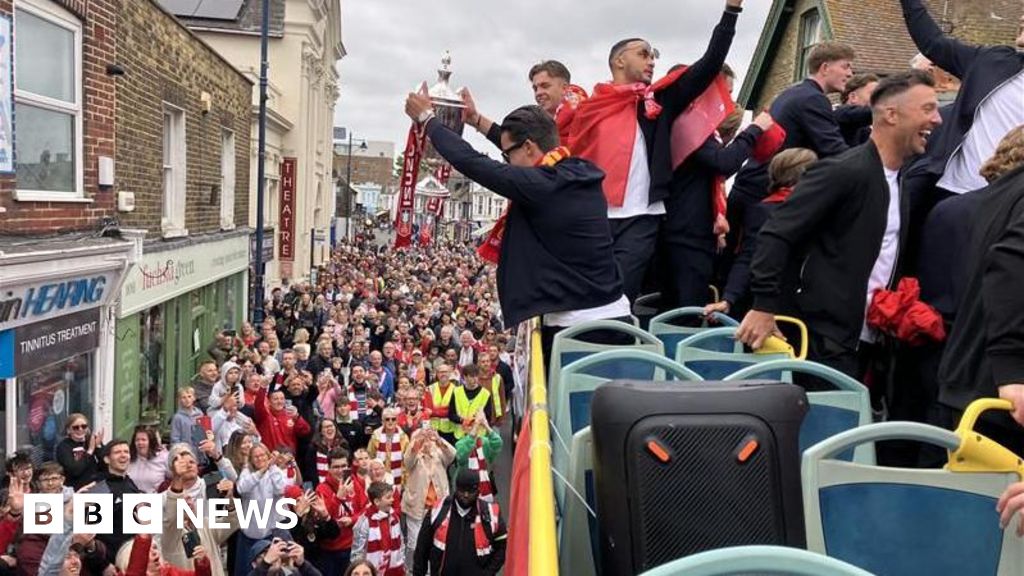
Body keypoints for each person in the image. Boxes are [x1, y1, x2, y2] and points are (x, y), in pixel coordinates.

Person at [737, 71, 942, 382]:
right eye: (928, 109)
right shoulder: (843, 171)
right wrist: (764, 306)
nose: (938, 119)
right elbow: (777, 234)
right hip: (821, 341)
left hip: (868, 341)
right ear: (890, 114)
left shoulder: (902, 182)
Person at [402, 99, 629, 363]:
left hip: (581, 330)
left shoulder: (544, 186)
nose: (507, 163)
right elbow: (520, 151)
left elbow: (474, 163)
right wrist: (477, 121)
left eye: (508, 156)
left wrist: (428, 120)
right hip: (611, 315)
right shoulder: (576, 172)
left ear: (530, 147)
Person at [565, 0, 746, 303]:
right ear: (619, 61)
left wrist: (731, 12)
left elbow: (709, 64)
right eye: (643, 53)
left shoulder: (659, 102)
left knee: (621, 299)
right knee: (589, 295)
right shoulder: (589, 109)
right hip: (596, 214)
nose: (651, 61)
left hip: (643, 217)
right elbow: (573, 156)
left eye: (653, 56)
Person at [898, 0, 1024, 201]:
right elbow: (934, 43)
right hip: (952, 192)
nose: (1022, 18)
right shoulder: (991, 61)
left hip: (1012, 207)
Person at [706, 148, 819, 318]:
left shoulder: (766, 209)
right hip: (779, 303)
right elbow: (749, 256)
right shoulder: (770, 211)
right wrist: (729, 297)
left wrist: (729, 297)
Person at [161, 444, 238, 576]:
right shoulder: (165, 501)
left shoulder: (212, 484)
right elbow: (170, 521)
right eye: (182, 463)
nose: (188, 465)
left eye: (191, 462)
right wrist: (178, 480)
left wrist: (230, 498)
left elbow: (233, 521)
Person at [412, 469, 507, 576]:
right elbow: (421, 551)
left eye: (470, 491)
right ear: (456, 488)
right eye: (462, 490)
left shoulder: (490, 514)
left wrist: (487, 573)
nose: (466, 495)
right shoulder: (437, 511)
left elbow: (502, 548)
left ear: (478, 491)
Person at [401, 428, 455, 563]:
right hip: (417, 508)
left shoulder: (439, 454)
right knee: (415, 544)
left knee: (439, 543)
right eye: (421, 439)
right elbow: (408, 461)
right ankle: (415, 569)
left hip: (438, 509)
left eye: (428, 439)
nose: (426, 442)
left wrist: (438, 439)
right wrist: (416, 443)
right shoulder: (413, 457)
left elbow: (453, 455)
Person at [313, 449, 365, 575]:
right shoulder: (322, 489)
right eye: (336, 467)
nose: (340, 470)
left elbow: (365, 510)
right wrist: (338, 498)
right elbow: (323, 517)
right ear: (329, 468)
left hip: (352, 546)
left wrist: (352, 520)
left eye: (343, 466)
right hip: (330, 550)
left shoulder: (354, 483)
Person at [351, 482, 404, 576]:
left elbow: (401, 543)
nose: (392, 500)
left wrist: (402, 562)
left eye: (392, 496)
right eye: (388, 497)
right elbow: (357, 553)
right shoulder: (364, 522)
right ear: (377, 501)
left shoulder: (394, 518)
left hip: (394, 570)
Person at [453, 412, 502, 503]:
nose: (473, 427)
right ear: (464, 428)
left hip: (482, 486)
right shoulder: (460, 444)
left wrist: (486, 425)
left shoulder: (485, 442)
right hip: (465, 488)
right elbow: (462, 455)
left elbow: (498, 443)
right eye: (470, 425)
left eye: (475, 425)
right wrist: (475, 428)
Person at [55, 413, 102, 490]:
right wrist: (89, 451)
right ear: (68, 430)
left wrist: (98, 447)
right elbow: (75, 470)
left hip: (96, 485)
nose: (80, 429)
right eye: (76, 427)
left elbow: (105, 462)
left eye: (84, 426)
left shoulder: (91, 440)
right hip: (77, 489)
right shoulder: (63, 447)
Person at [448, 365, 493, 440]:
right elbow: (451, 414)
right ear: (465, 377)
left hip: (478, 437)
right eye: (472, 376)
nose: (475, 379)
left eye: (476, 376)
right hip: (460, 436)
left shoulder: (486, 394)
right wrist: (462, 420)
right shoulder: (456, 392)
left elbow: (488, 417)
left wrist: (474, 422)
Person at [367, 408, 409, 489]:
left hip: (399, 478)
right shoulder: (375, 437)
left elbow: (407, 460)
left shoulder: (403, 437)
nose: (390, 421)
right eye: (387, 419)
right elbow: (371, 456)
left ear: (396, 421)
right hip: (379, 478)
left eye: (393, 419)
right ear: (382, 422)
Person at [837, 73, 879, 147]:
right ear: (853, 97)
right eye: (873, 94)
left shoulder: (865, 128)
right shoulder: (841, 114)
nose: (878, 99)